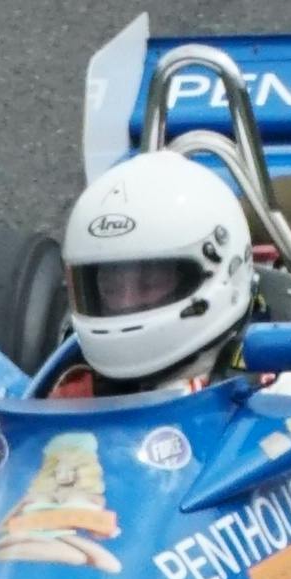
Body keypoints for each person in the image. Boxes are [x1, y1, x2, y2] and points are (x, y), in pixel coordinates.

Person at [51, 148, 256, 395]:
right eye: (110, 288)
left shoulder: (285, 383)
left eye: (149, 283)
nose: (125, 302)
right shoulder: (69, 394)